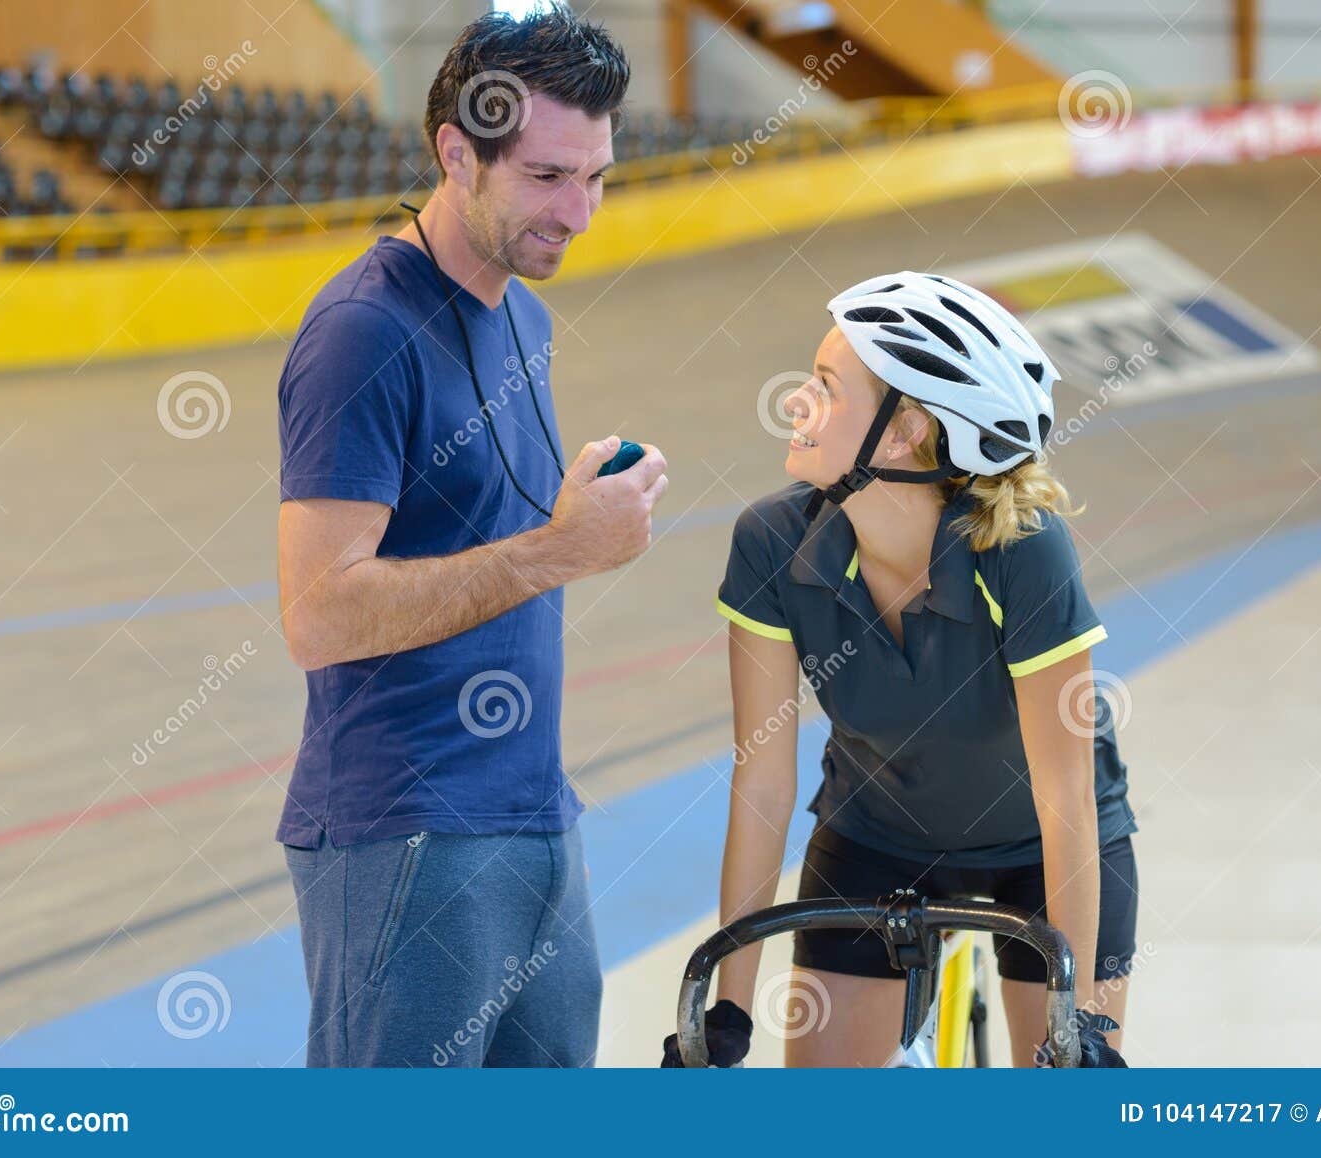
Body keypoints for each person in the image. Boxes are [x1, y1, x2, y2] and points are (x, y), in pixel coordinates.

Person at [275, 8, 666, 1068]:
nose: (579, 214)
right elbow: (317, 616)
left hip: (534, 814)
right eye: (547, 178)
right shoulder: (361, 332)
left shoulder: (520, 312)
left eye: (598, 178)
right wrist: (561, 549)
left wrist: (572, 518)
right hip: (406, 832)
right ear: (457, 152)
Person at [689, 272, 1137, 1067]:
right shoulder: (770, 541)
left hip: (1046, 848)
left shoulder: (1022, 552)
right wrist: (721, 1015)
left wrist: (1083, 1031)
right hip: (877, 837)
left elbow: (1063, 796)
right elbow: (763, 782)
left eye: (825, 389)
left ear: (904, 433)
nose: (796, 402)